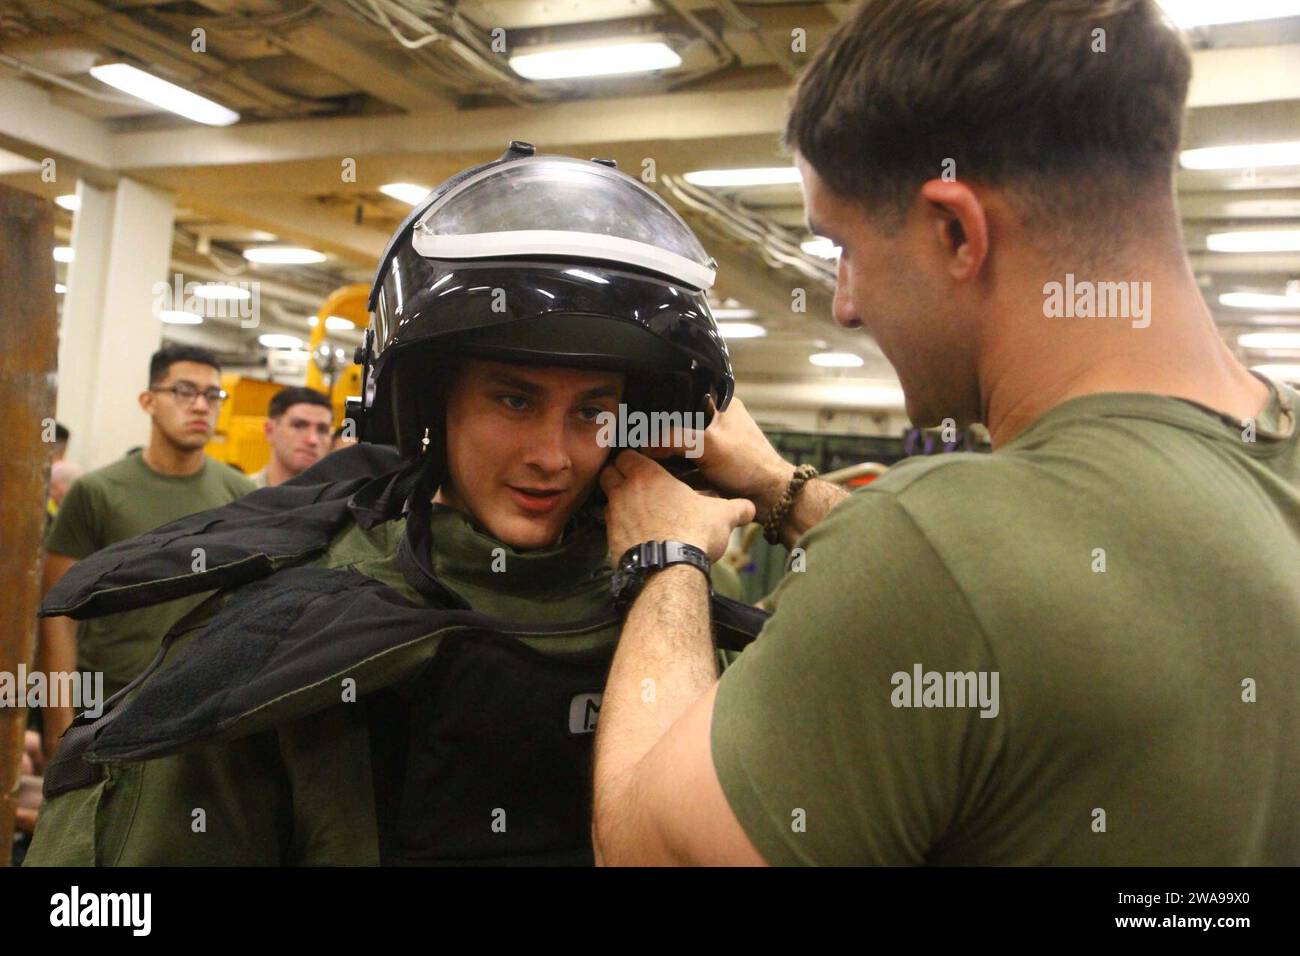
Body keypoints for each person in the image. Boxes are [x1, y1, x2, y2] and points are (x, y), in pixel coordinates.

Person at [590, 0, 1300, 865]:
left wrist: (664, 560)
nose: (846, 305)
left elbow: (645, 849)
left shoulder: (929, 547)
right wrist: (781, 489)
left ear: (957, 231)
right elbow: (1035, 578)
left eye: (844, 248)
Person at [23, 143, 764, 866]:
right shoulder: (289, 627)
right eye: (514, 400)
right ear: (432, 405)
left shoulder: (679, 602)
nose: (553, 454)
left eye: (591, 411)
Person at [37, 345, 255, 758]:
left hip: (201, 709)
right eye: (184, 391)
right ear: (148, 401)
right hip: (106, 704)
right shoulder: (97, 492)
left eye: (213, 395)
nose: (200, 406)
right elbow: (58, 616)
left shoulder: (242, 496)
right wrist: (58, 731)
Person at [249, 386, 333, 488]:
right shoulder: (239, 493)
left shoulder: (341, 496)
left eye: (322, 430)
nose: (312, 440)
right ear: (270, 431)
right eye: (299, 425)